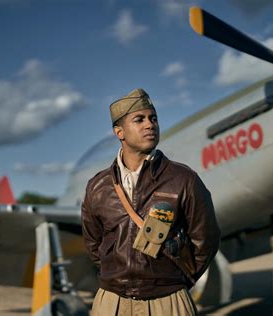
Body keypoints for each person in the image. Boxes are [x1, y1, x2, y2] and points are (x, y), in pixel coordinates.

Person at [81, 88, 221, 315]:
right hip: (112, 302)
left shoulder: (184, 180)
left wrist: (176, 281)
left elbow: (206, 238)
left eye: (153, 118)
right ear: (120, 132)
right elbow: (94, 244)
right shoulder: (98, 187)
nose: (150, 125)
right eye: (139, 119)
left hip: (168, 300)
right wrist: (115, 277)